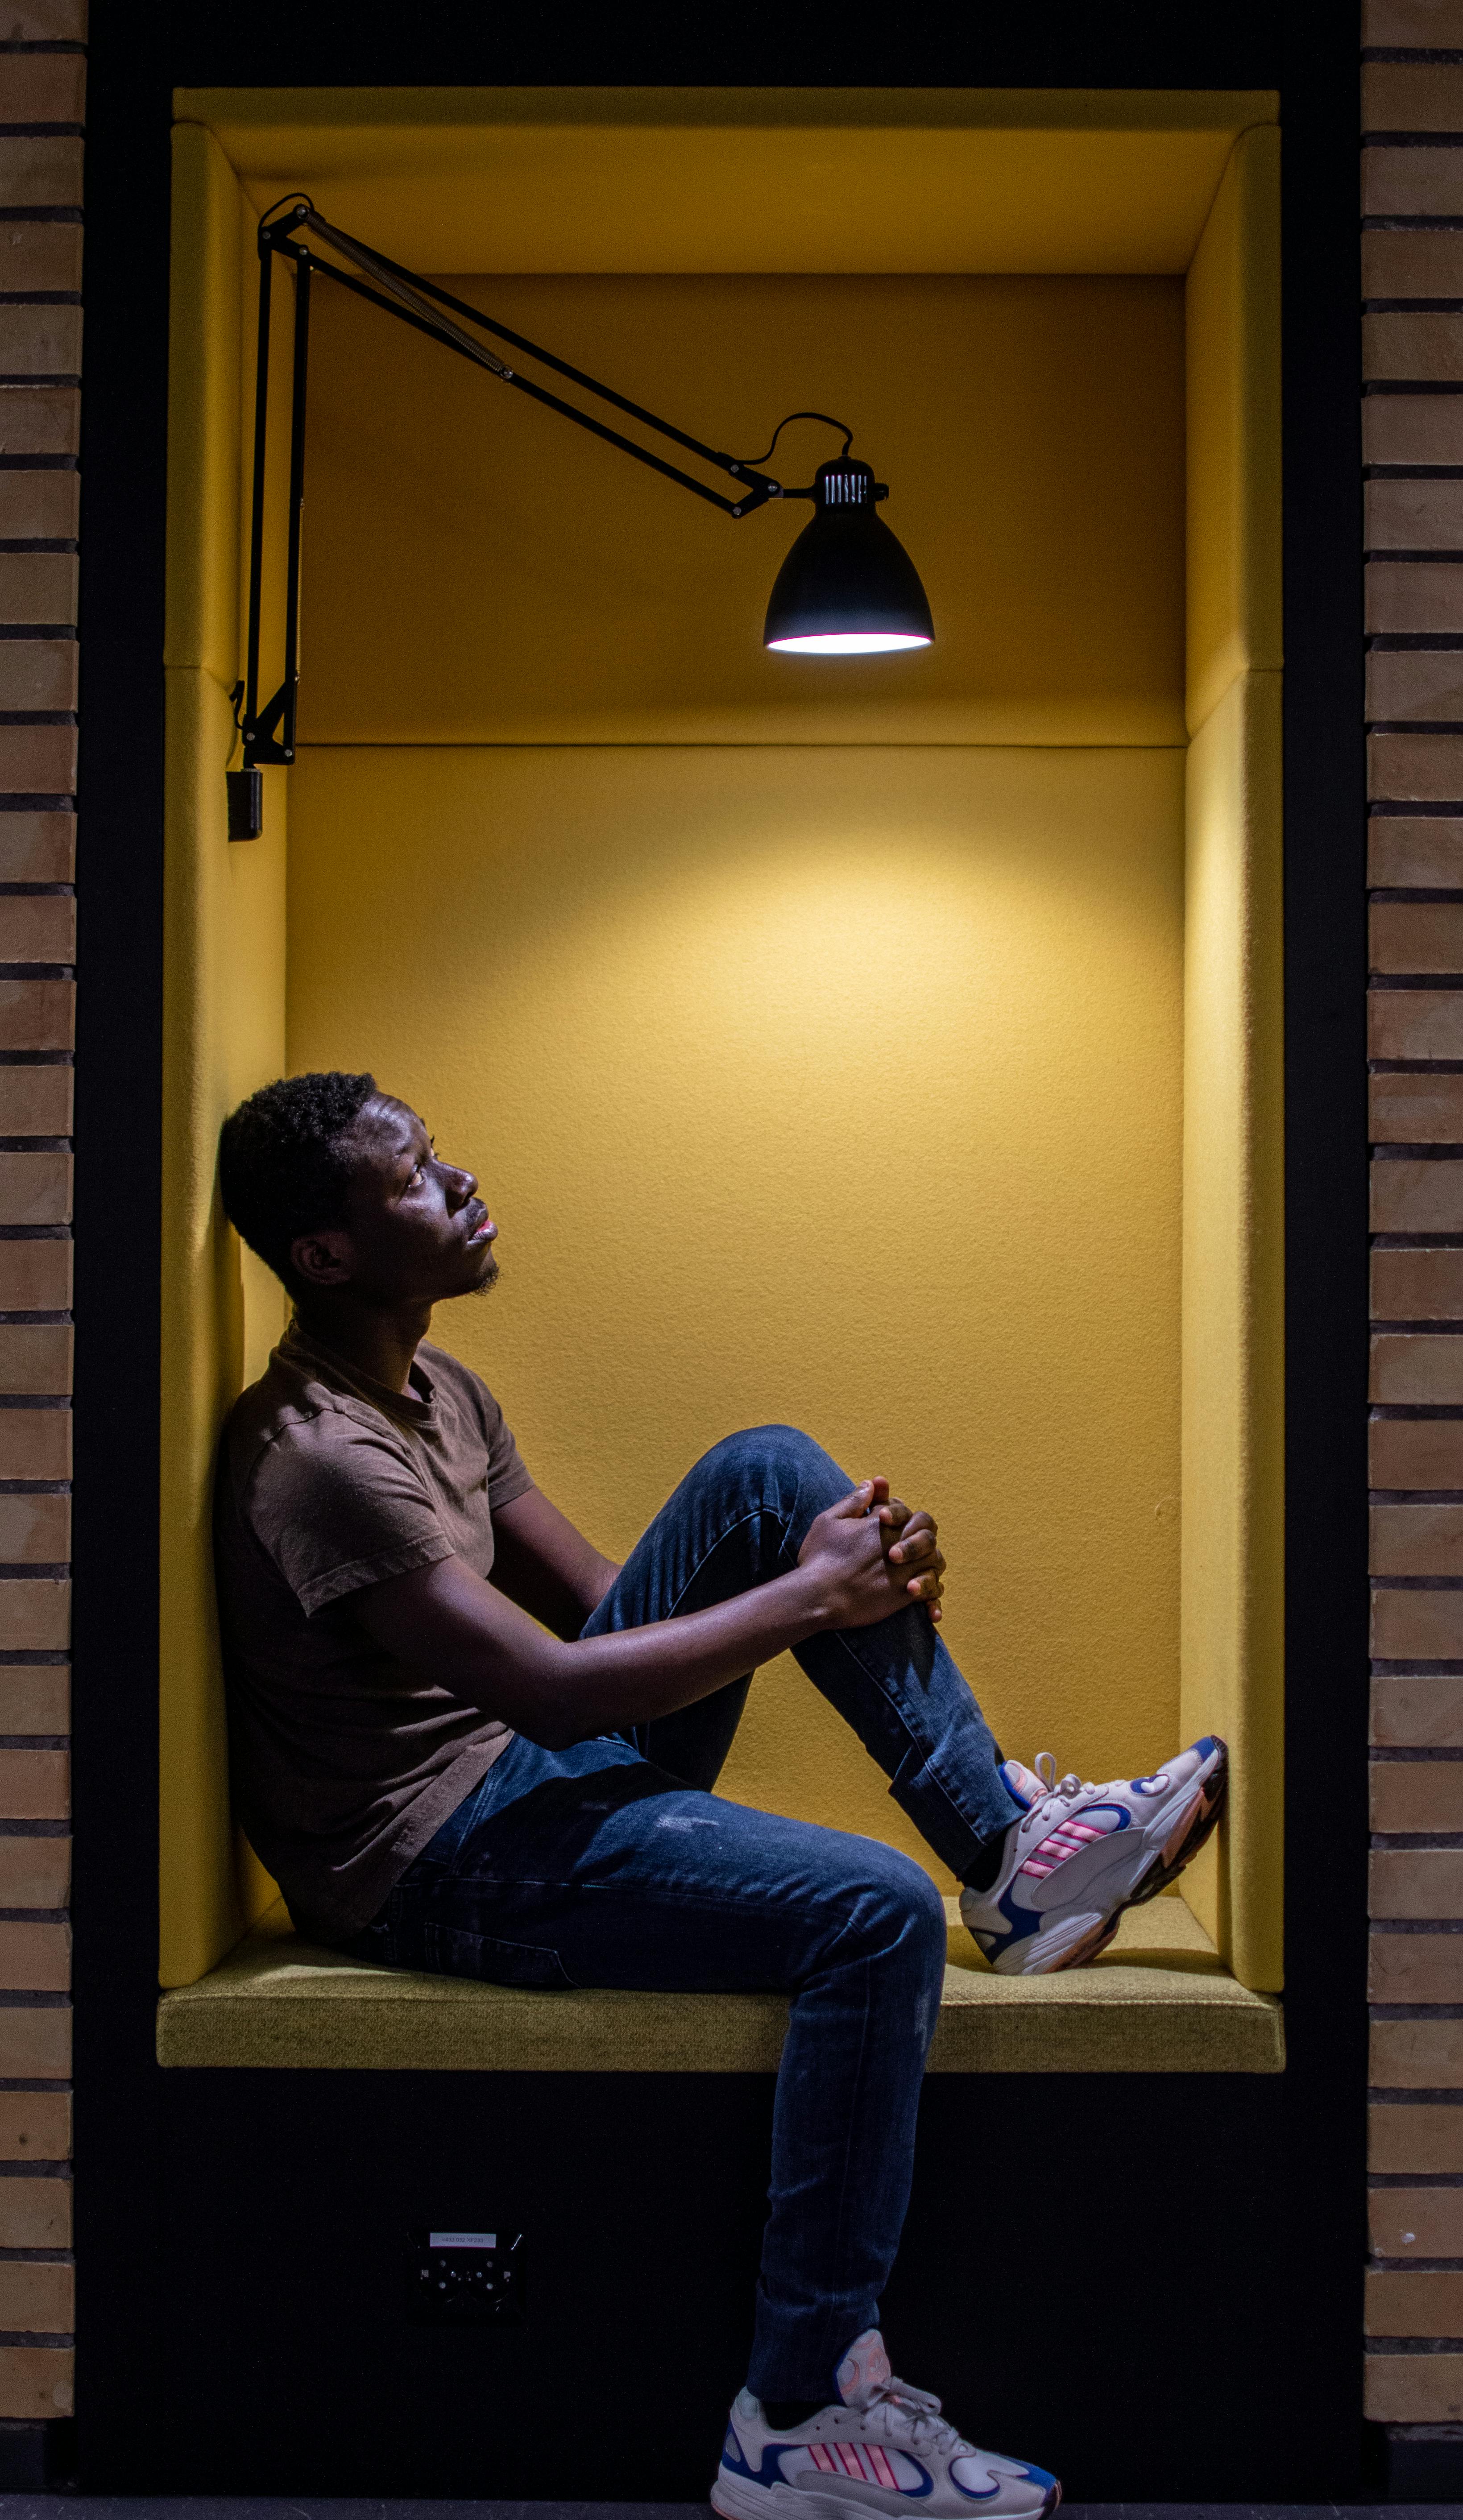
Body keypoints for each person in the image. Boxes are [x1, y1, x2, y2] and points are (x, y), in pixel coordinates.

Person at [214, 1070, 1228, 2520]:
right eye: (418, 1178)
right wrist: (816, 1598)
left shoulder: (442, 1391)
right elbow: (556, 1693)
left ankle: (1011, 1858)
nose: (462, 1181)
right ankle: (799, 2411)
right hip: (431, 1860)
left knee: (767, 1472)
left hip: (516, 1783)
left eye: (441, 1155)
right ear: (325, 1255)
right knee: (873, 1912)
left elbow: (596, 1634)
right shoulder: (319, 1456)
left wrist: (827, 1578)